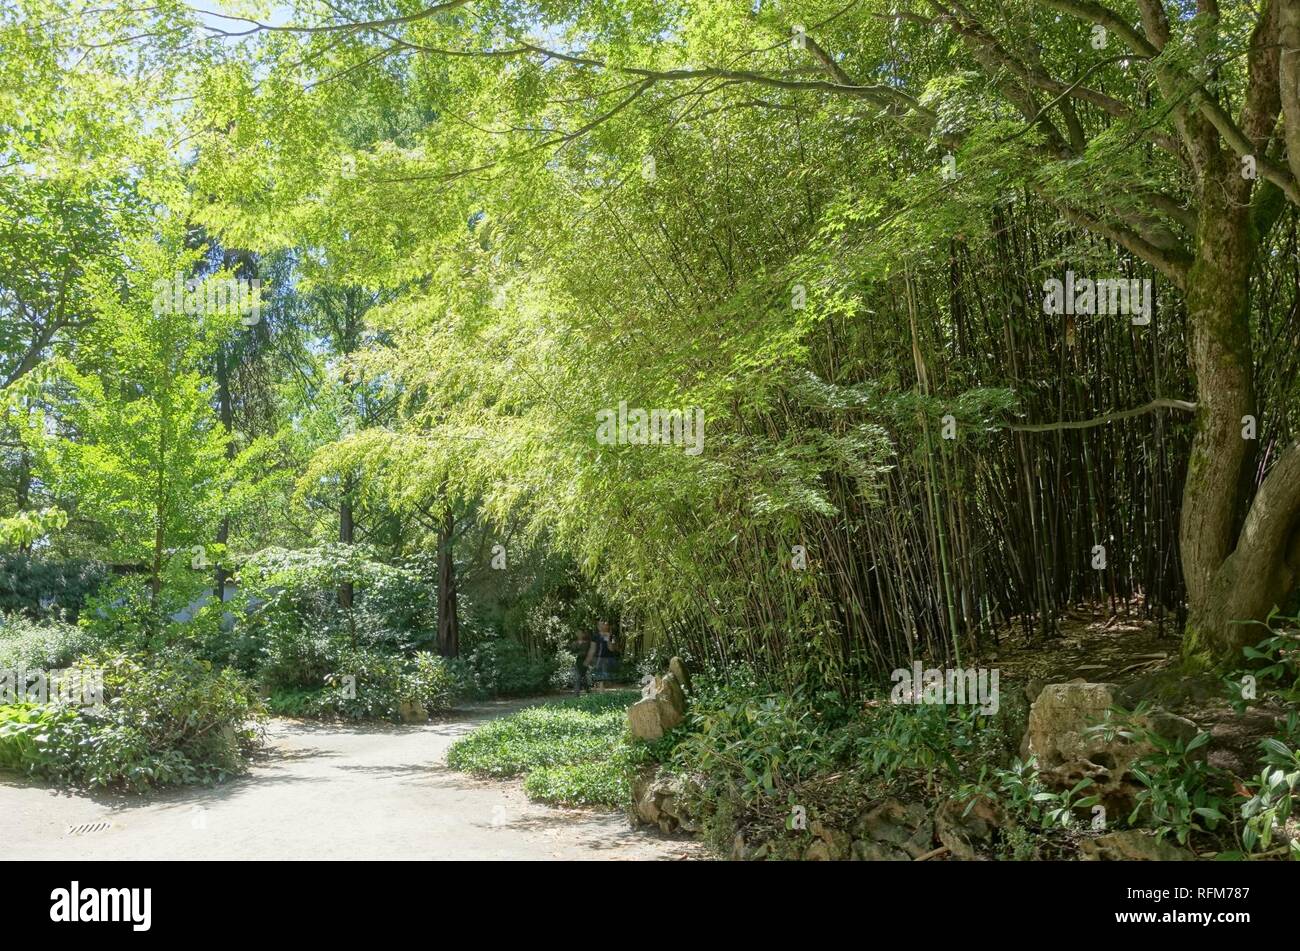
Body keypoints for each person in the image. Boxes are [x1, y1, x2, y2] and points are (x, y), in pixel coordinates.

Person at [572, 630, 596, 696]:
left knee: (585, 677)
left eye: (580, 633)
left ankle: (588, 690)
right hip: (578, 661)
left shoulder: (587, 643)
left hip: (586, 661)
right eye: (577, 633)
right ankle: (576, 694)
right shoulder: (575, 643)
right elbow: (573, 651)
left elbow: (589, 652)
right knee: (578, 677)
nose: (579, 634)